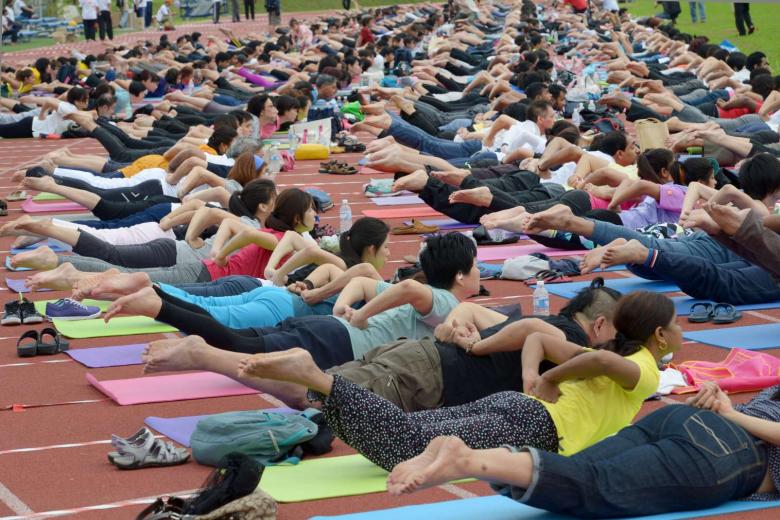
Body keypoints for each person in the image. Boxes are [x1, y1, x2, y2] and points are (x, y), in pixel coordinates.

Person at [223, 290, 677, 472]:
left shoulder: (617, 357)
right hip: (535, 426)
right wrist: (551, 377)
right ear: (657, 335)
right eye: (676, 326)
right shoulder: (643, 369)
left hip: (518, 407)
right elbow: (602, 362)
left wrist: (532, 377)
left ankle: (321, 383)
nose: (680, 333)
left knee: (413, 436)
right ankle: (317, 379)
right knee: (406, 448)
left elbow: (537, 336)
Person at [390, 381, 780, 518]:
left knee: (572, 472)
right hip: (731, 452)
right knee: (596, 485)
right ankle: (468, 459)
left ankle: (466, 454)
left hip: (682, 421)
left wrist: (724, 410)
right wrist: (729, 413)